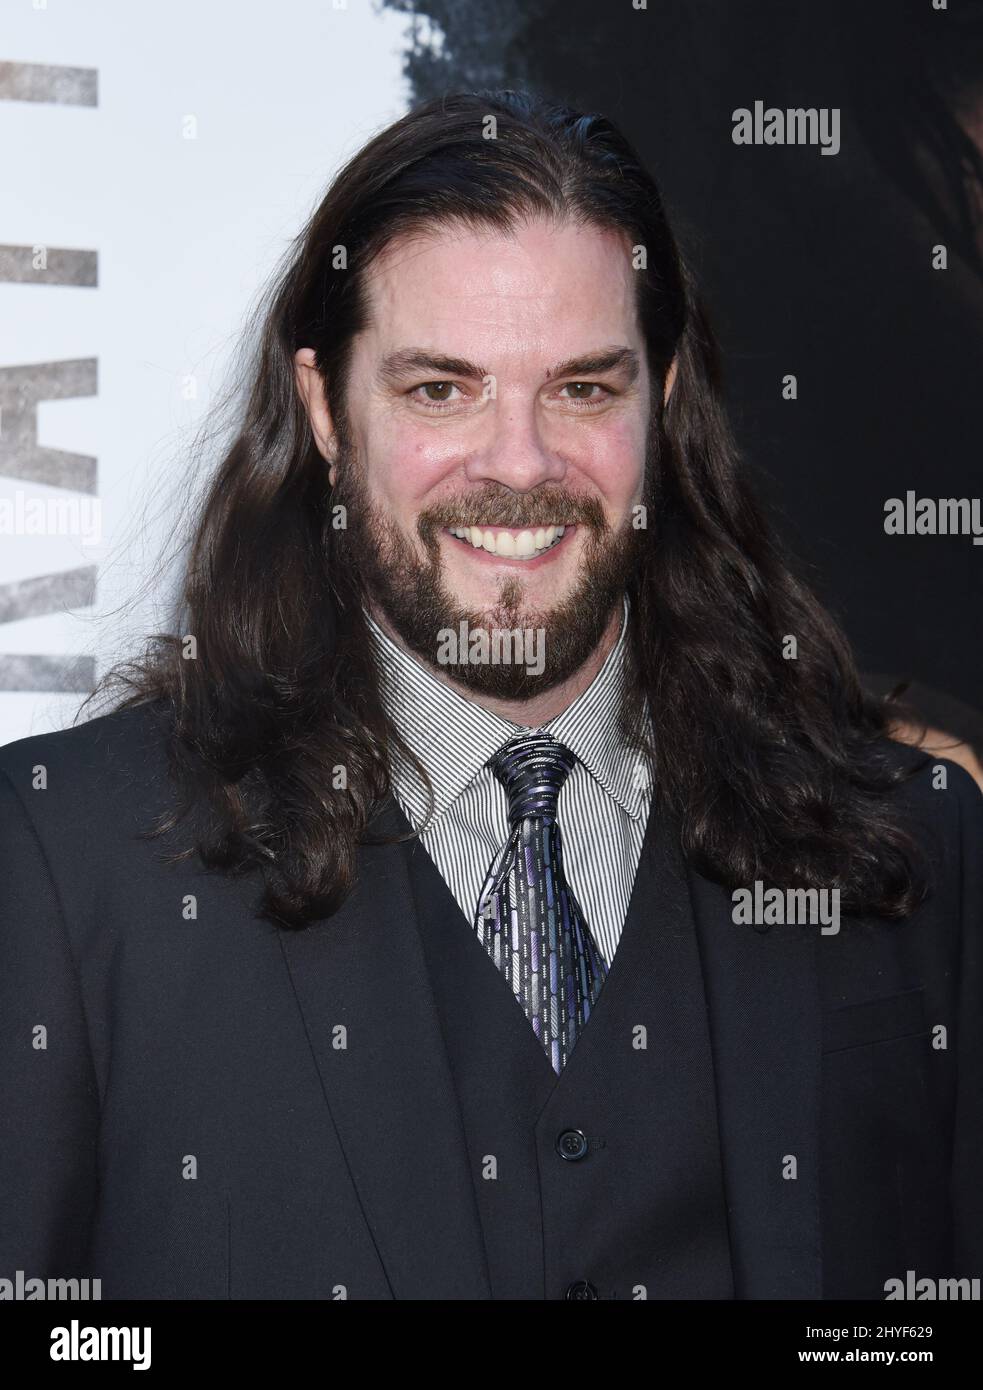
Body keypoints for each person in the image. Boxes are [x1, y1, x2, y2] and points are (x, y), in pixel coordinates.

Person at [1, 89, 980, 1302]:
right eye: (438, 391)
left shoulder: (917, 847)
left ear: (662, 402)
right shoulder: (66, 862)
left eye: (580, 389)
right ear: (323, 409)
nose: (517, 464)